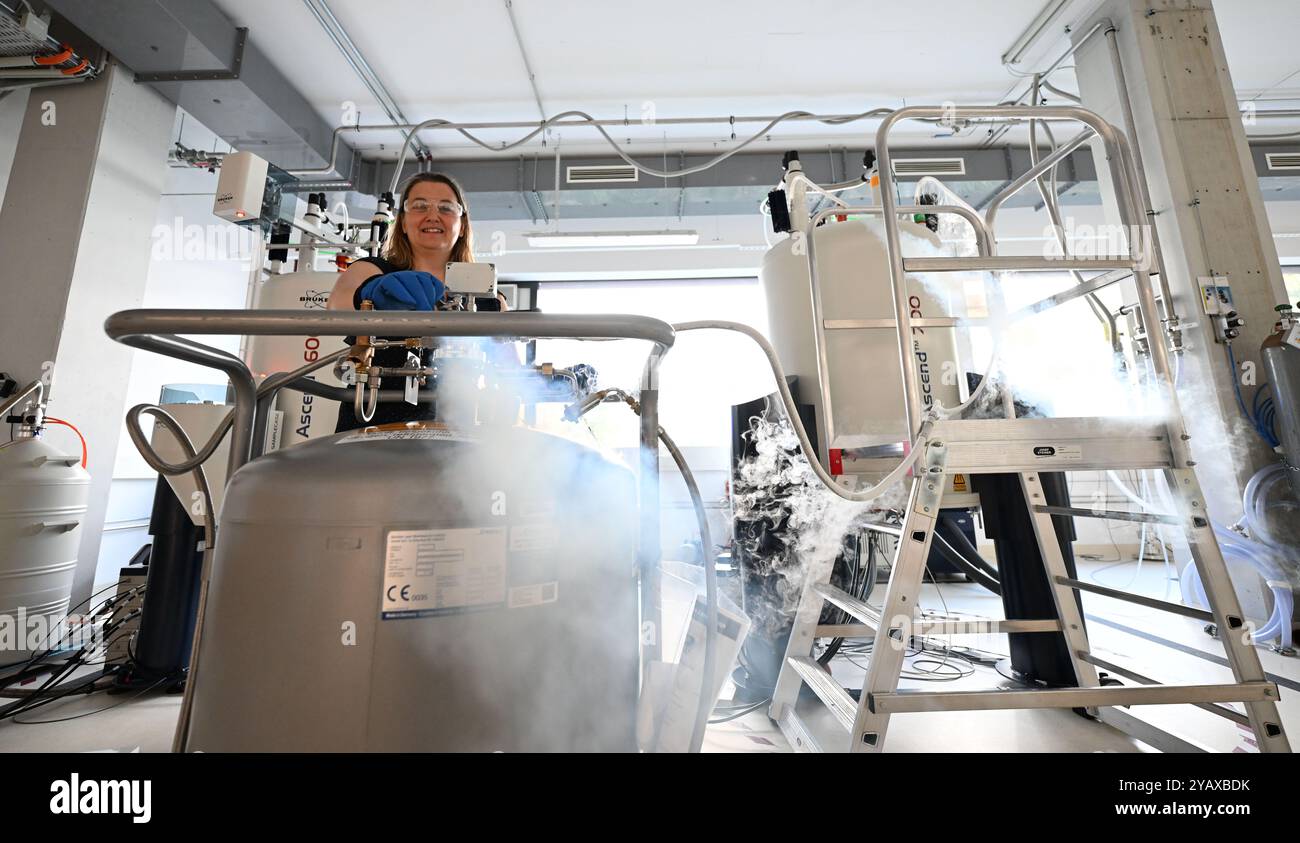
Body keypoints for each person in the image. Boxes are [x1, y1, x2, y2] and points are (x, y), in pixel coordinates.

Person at [327, 172, 508, 431]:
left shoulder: (488, 298)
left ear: (463, 224)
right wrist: (374, 293)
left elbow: (507, 371)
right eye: (420, 206)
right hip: (371, 427)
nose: (432, 216)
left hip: (455, 438)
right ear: (402, 222)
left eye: (445, 208)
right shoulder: (372, 270)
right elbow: (337, 306)